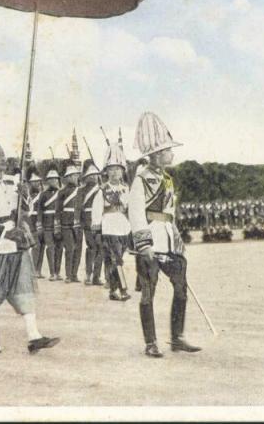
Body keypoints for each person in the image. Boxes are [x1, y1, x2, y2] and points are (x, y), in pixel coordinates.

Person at [0, 140, 60, 354]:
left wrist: (24, 194)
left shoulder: (11, 182)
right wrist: (4, 233)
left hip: (17, 243)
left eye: (3, 154)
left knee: (24, 288)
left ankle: (33, 336)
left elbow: (22, 210)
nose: (3, 158)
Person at [129, 112, 201, 358]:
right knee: (148, 292)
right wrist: (144, 244)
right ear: (157, 155)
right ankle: (151, 342)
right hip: (151, 242)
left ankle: (177, 336)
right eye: (168, 151)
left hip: (170, 241)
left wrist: (177, 238)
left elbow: (169, 213)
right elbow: (137, 212)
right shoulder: (141, 180)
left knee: (181, 288)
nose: (172, 154)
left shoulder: (168, 179)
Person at [92, 142, 132, 301]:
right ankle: (122, 289)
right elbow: (97, 210)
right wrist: (96, 229)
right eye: (111, 169)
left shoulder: (126, 190)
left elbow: (130, 208)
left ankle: (112, 289)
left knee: (114, 261)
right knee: (117, 260)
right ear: (106, 172)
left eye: (118, 169)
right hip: (109, 228)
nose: (115, 173)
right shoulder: (102, 191)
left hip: (124, 228)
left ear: (123, 171)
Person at [56, 164, 83, 283]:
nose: (73, 178)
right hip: (66, 223)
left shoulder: (81, 191)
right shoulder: (62, 192)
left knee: (78, 249)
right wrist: (57, 226)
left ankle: (74, 274)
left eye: (75, 175)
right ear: (66, 178)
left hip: (79, 223)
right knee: (69, 249)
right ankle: (68, 275)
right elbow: (57, 210)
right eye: (70, 176)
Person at [79, 160, 104, 286]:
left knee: (100, 249)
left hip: (100, 222)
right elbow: (79, 208)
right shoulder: (82, 191)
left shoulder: (101, 189)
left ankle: (96, 276)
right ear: (86, 177)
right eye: (91, 175)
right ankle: (88, 275)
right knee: (91, 248)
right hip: (88, 223)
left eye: (95, 175)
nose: (94, 177)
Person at [37, 167, 62, 281]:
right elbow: (40, 211)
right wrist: (39, 225)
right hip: (47, 224)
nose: (54, 181)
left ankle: (58, 272)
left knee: (59, 248)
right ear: (47, 181)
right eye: (51, 180)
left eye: (55, 179)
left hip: (58, 225)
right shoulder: (43, 195)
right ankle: (52, 273)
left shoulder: (61, 193)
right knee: (50, 248)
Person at [25, 168, 45, 278]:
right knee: (36, 246)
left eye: (38, 181)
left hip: (41, 222)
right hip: (30, 222)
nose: (37, 183)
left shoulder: (42, 194)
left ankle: (38, 270)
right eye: (34, 181)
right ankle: (32, 269)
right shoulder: (27, 195)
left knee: (41, 246)